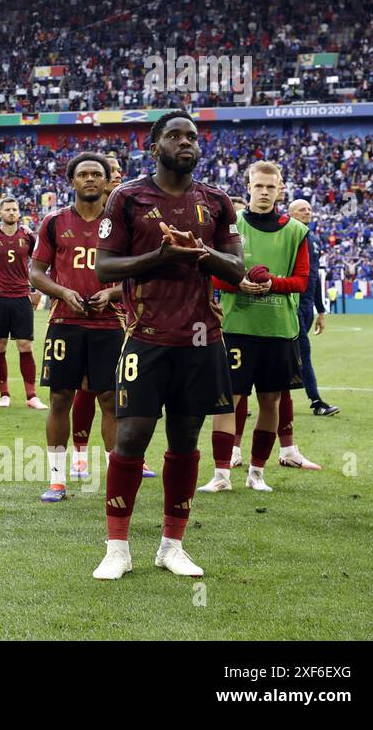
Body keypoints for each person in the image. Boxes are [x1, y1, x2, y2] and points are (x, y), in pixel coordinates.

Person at [91, 110, 245, 580]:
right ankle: (117, 547)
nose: (186, 142)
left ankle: (171, 545)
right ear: (153, 145)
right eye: (175, 135)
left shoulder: (217, 202)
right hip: (147, 339)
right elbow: (105, 268)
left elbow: (236, 270)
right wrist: (159, 256)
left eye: (192, 137)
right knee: (132, 436)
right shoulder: (127, 198)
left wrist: (199, 253)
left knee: (184, 440)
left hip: (201, 342)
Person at [199, 161, 311, 494]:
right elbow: (213, 272)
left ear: (281, 189)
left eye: (270, 186)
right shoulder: (230, 227)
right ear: (248, 186)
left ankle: (257, 473)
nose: (264, 192)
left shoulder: (296, 231)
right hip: (237, 326)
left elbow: (302, 281)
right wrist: (238, 283)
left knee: (271, 402)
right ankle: (221, 474)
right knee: (228, 400)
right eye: (258, 186)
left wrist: (272, 284)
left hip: (278, 328)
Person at [28, 153, 122, 501]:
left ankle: (116, 479)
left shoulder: (119, 223)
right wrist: (62, 292)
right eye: (83, 174)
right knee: (59, 397)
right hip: (65, 322)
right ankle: (56, 480)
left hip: (109, 323)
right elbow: (35, 273)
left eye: (97, 174)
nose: (91, 179)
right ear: (72, 181)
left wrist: (112, 292)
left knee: (111, 399)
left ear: (106, 180)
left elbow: (135, 275)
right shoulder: (54, 222)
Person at [0, 198, 45, 409]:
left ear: (19, 213)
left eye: (14, 209)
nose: (11, 212)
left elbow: (41, 263)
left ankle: (31, 396)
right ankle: (4, 394)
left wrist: (38, 291)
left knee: (24, 345)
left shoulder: (28, 237)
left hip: (22, 297)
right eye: (7, 209)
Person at [288, 199, 338, 417]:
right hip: (293, 303)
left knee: (290, 354)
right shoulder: (289, 236)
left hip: (307, 305)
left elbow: (315, 275)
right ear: (291, 214)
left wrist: (321, 310)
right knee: (303, 353)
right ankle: (316, 401)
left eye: (309, 209)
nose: (307, 211)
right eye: (302, 209)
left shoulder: (313, 238)